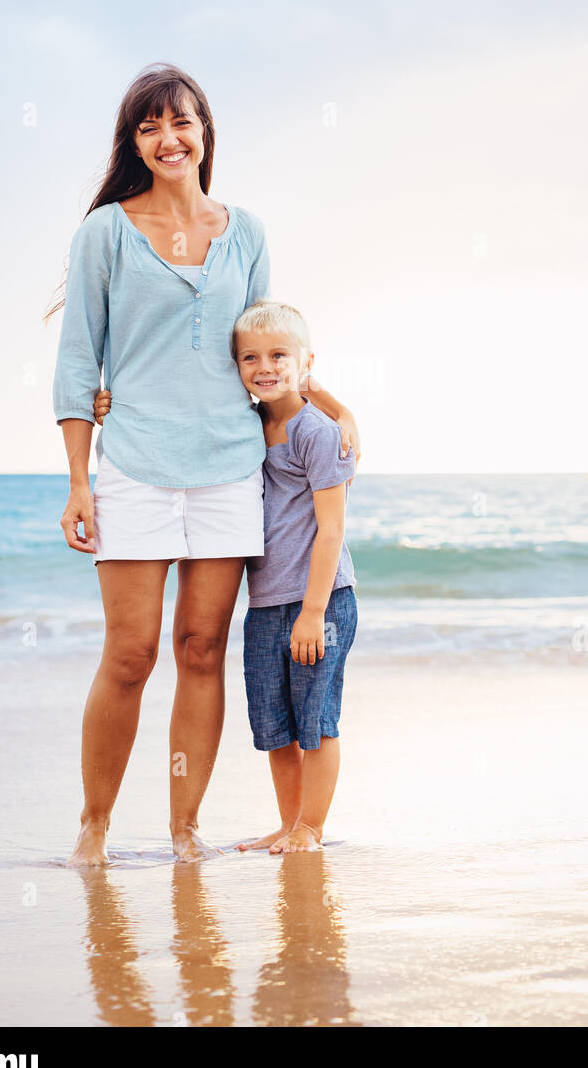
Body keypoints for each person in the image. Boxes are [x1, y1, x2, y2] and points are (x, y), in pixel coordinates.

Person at [49, 62, 360, 867]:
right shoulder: (106, 234)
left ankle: (184, 830)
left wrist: (332, 406)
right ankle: (95, 825)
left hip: (229, 469)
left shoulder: (245, 231)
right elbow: (79, 361)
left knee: (200, 649)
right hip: (134, 466)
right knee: (130, 653)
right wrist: (80, 479)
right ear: (134, 142)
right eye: (149, 127)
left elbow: (266, 343)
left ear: (204, 132)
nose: (168, 138)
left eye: (181, 122)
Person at [233, 300, 359, 853]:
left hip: (320, 602)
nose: (265, 367)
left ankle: (312, 828)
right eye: (250, 358)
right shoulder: (247, 425)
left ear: (305, 361)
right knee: (275, 728)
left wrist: (312, 613)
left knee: (318, 722)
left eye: (279, 355)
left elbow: (330, 530)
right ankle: (288, 825)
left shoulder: (318, 431)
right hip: (264, 604)